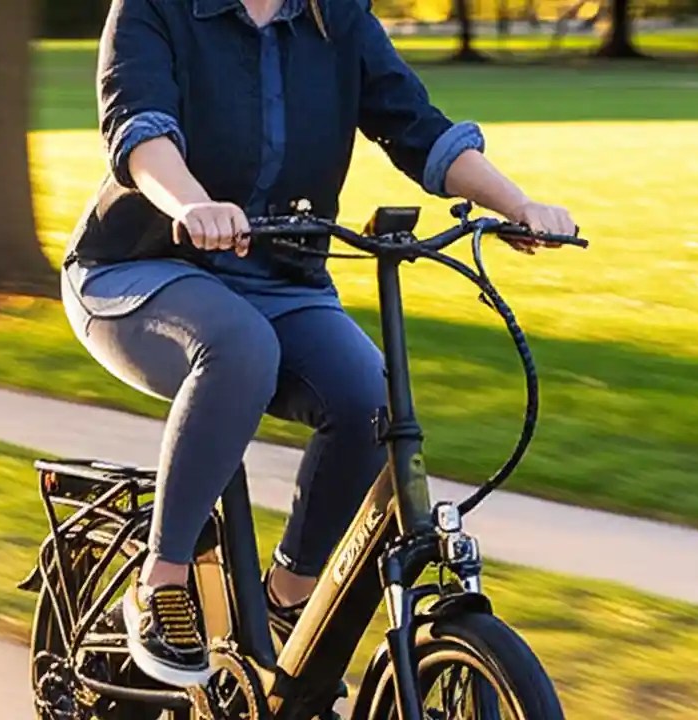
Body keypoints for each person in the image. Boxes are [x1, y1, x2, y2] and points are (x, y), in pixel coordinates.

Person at [61, 0, 577, 688]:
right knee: (239, 349)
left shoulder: (337, 16)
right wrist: (191, 204)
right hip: (143, 267)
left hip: (281, 276)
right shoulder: (157, 7)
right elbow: (140, 129)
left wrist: (515, 205)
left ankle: (286, 601)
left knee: (372, 400)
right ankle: (163, 583)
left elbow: (416, 128)